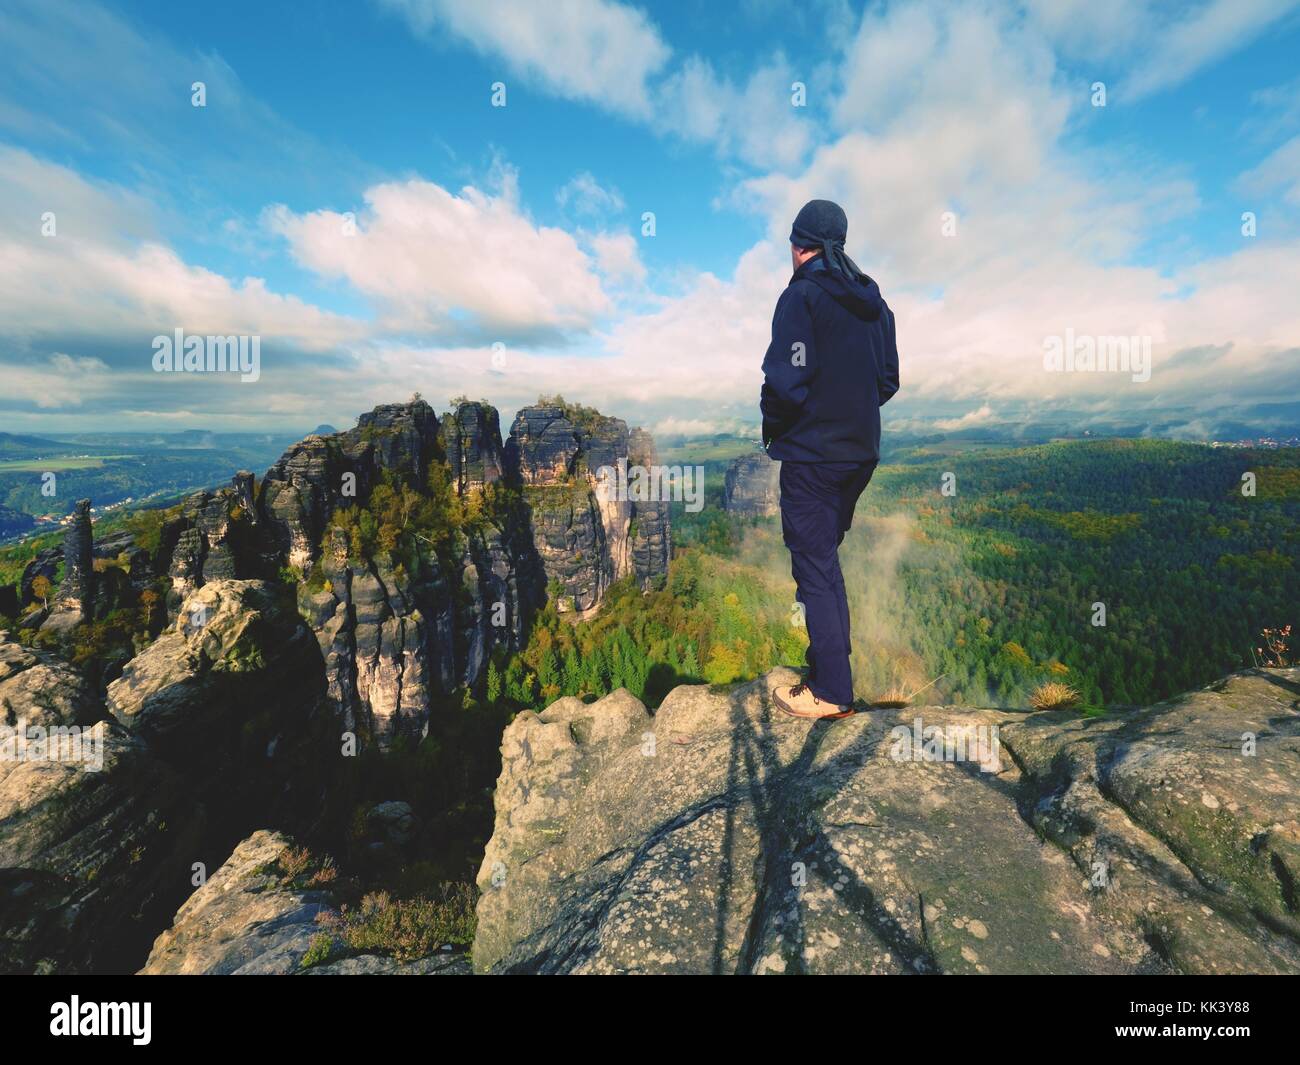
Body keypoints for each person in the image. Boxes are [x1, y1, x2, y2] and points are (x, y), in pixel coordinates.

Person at [761, 199, 899, 719]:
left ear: (800, 247)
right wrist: (850, 413)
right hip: (859, 456)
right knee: (825, 563)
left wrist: (777, 427)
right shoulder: (872, 301)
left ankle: (831, 692)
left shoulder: (802, 298)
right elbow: (887, 379)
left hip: (813, 460)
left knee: (814, 570)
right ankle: (829, 674)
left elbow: (785, 384)